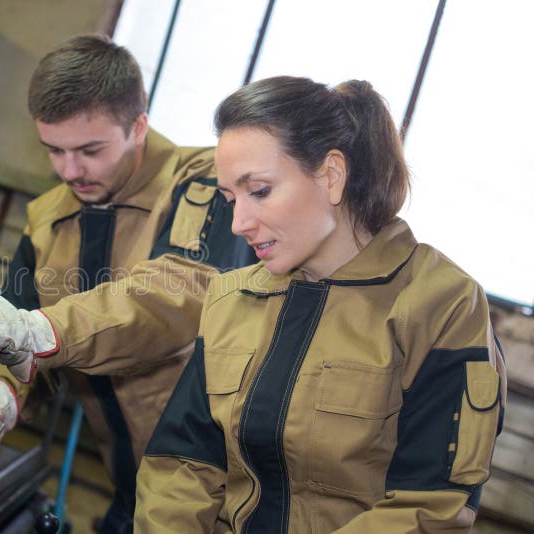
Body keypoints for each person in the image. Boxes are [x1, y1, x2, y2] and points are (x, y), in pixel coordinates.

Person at [132, 76, 507, 532]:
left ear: (331, 176)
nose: (238, 223)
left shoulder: (443, 306)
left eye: (260, 191)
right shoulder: (230, 299)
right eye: (230, 199)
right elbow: (182, 465)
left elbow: (430, 506)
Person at [0, 34, 255, 533]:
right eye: (54, 150)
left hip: (226, 500)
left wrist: (43, 331)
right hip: (133, 490)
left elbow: (173, 296)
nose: (70, 171)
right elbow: (17, 325)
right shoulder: (48, 220)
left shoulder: (205, 184)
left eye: (90, 150)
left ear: (138, 126)